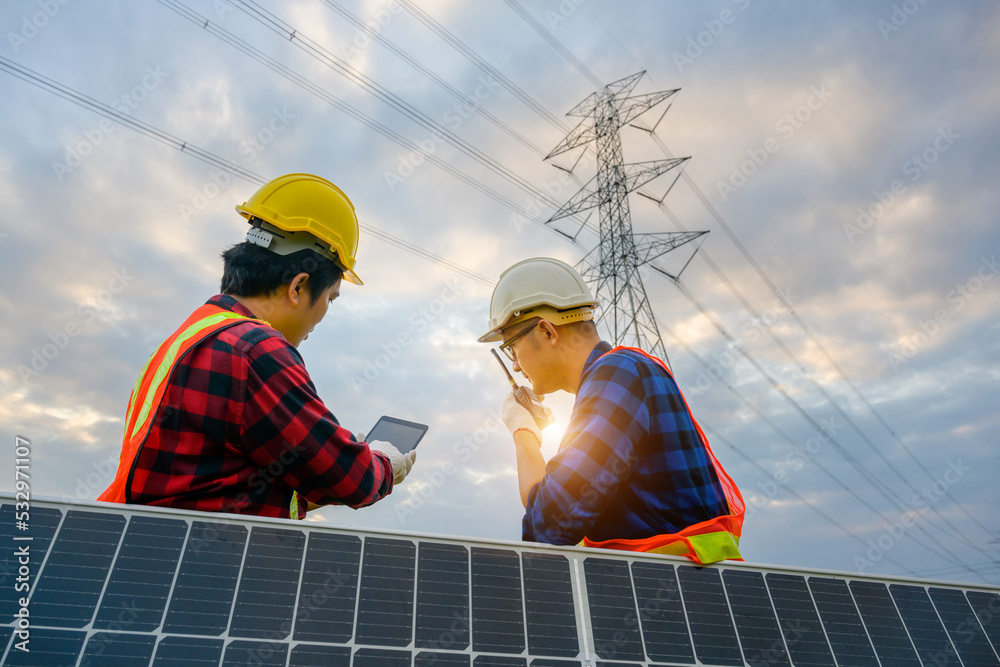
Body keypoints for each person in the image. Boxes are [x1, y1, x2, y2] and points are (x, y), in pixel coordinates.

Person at [99, 173, 415, 519]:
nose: (324, 313)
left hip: (155, 551)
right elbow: (352, 480)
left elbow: (217, 486)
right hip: (205, 565)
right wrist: (384, 462)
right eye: (330, 298)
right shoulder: (253, 350)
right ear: (298, 286)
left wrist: (327, 456)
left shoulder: (186, 340)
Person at [478, 257, 744, 564]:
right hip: (683, 593)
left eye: (511, 346)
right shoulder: (623, 374)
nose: (514, 364)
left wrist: (522, 431)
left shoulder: (617, 376)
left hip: (675, 597)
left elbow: (550, 524)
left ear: (548, 332)